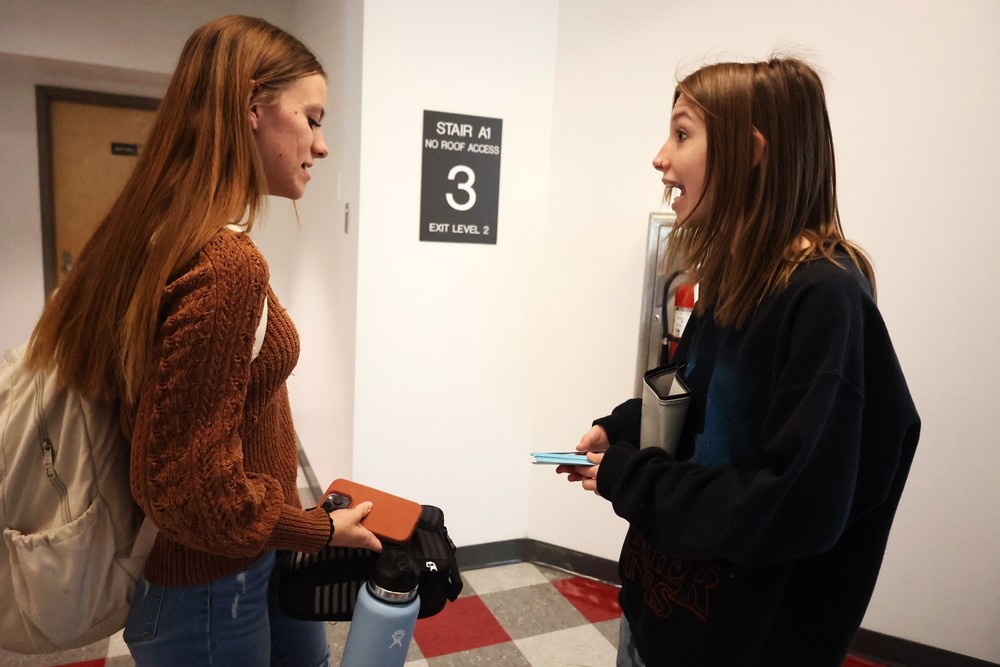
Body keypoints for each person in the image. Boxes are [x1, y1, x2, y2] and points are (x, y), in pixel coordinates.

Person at [24, 15, 381, 666]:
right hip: (212, 582)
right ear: (252, 108)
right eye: (313, 117)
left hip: (238, 564)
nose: (321, 145)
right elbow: (187, 488)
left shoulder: (163, 234)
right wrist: (316, 526)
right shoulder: (223, 266)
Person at [557, 57, 920, 667]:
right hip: (663, 618)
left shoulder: (825, 299)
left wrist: (631, 478)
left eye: (681, 133)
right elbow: (697, 395)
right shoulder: (737, 278)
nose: (660, 158)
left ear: (748, 152)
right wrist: (624, 427)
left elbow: (788, 504)